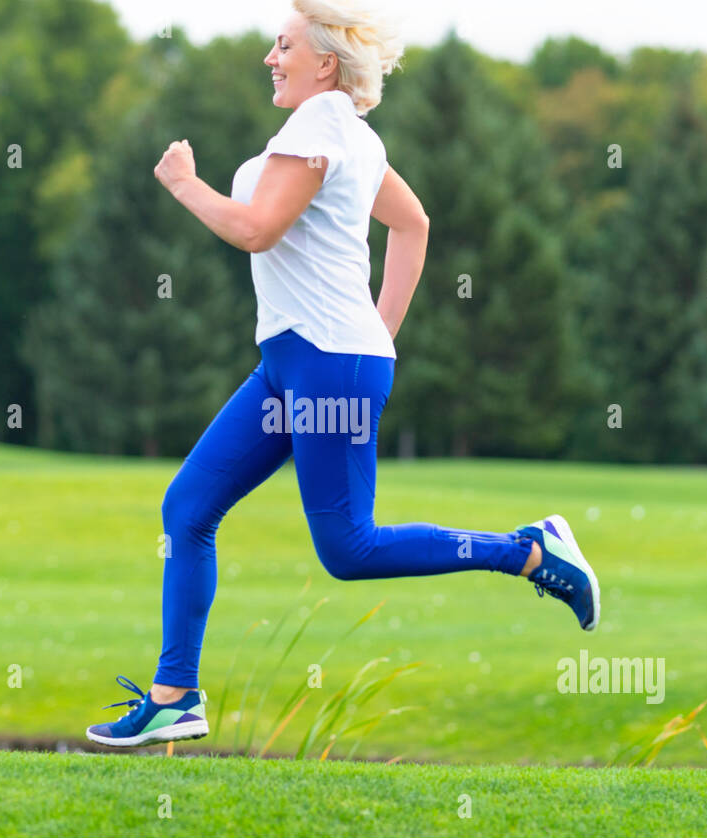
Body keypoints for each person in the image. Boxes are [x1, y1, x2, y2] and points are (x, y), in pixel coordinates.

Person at [87, 0, 599, 747]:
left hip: (325, 366)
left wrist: (185, 184)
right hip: (294, 364)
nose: (270, 55)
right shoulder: (348, 136)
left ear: (325, 62)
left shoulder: (323, 126)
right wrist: (377, 335)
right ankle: (175, 695)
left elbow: (257, 228)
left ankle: (529, 550)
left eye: (284, 44)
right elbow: (412, 224)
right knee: (189, 507)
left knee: (349, 550)